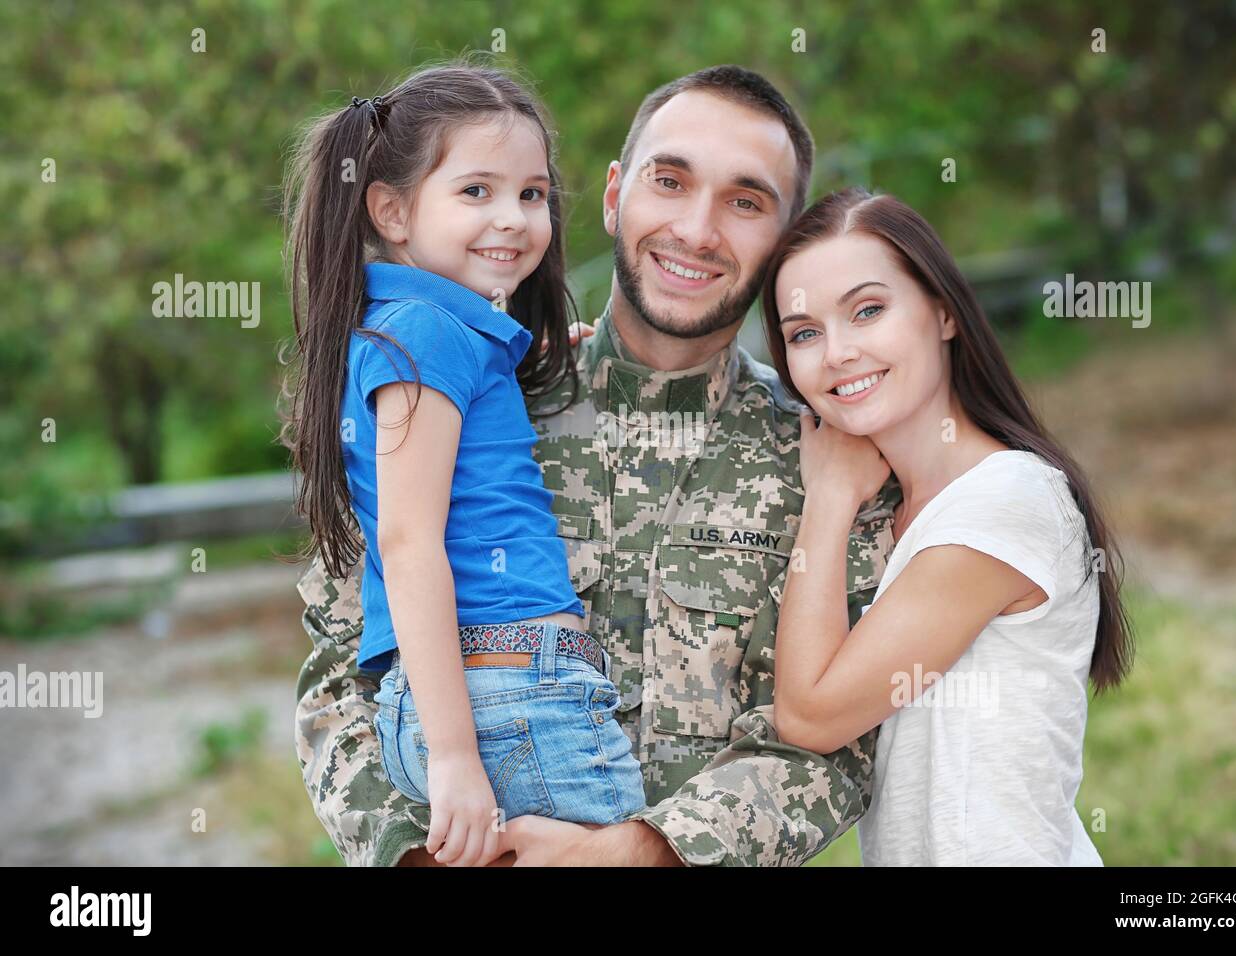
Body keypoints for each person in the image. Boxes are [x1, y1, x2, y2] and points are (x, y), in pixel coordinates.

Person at [293, 64, 900, 867]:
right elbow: (342, 677)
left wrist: (633, 854)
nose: (697, 230)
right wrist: (420, 852)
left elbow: (836, 743)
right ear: (615, 196)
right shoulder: (471, 399)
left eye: (746, 202)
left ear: (784, 245)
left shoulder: (830, 465)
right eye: (669, 181)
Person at [279, 62, 646, 868]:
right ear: (391, 211)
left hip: (487, 695)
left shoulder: (418, 330)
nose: (513, 218)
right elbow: (410, 540)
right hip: (514, 696)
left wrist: (515, 364)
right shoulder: (429, 334)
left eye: (532, 193)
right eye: (476, 190)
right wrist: (454, 758)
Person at [762, 188, 1134, 865]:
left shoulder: (1004, 499)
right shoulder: (895, 511)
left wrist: (829, 498)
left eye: (867, 310)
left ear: (944, 312)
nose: (837, 352)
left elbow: (811, 716)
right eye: (804, 333)